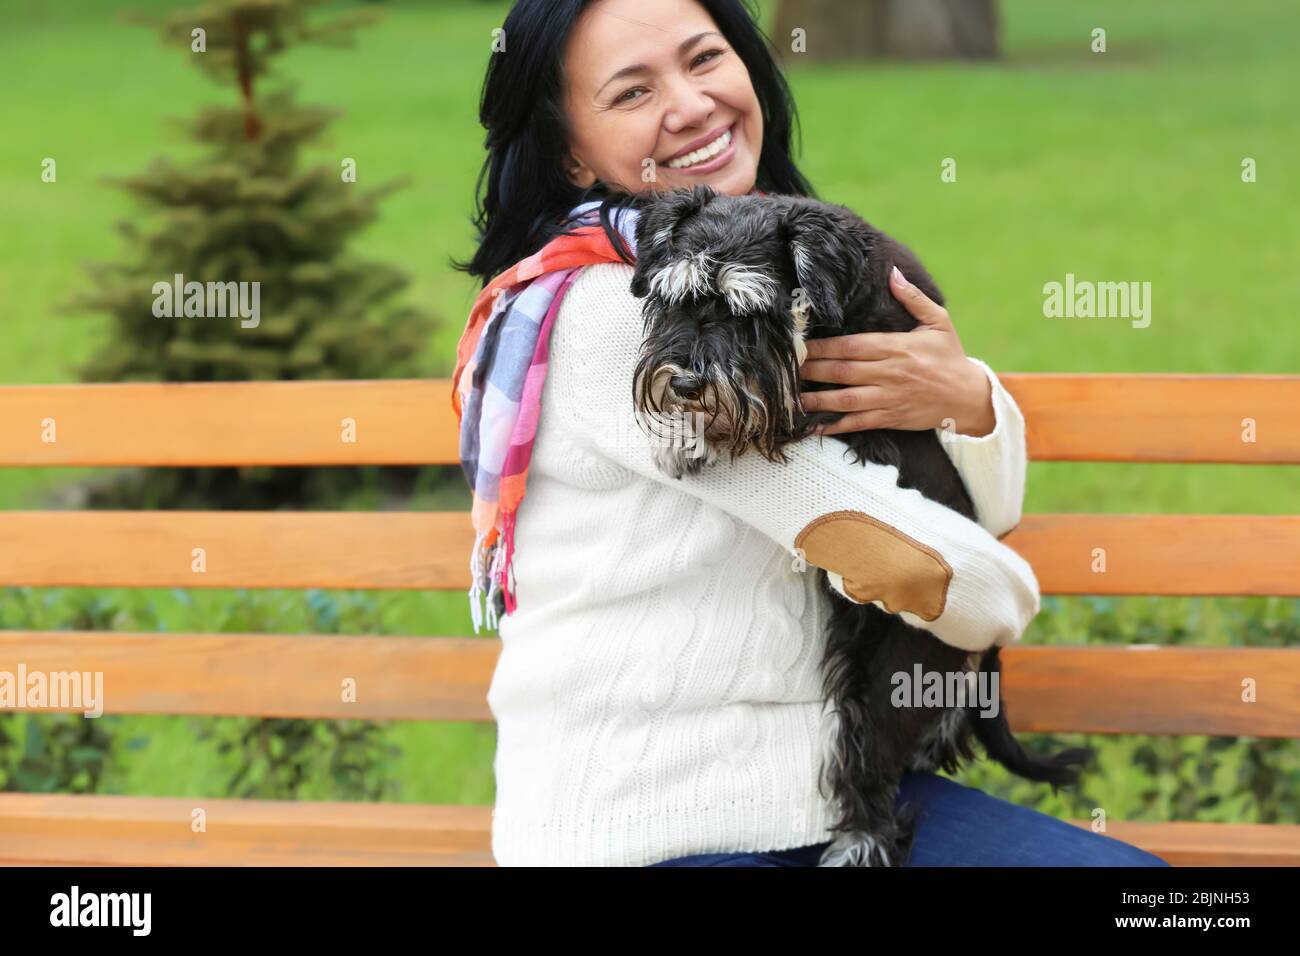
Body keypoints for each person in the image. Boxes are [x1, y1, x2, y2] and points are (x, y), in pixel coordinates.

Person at [452, 0, 1169, 868]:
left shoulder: (780, 256)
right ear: (570, 149)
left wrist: (963, 401)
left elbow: (970, 495)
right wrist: (1007, 595)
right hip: (647, 824)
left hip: (835, 792)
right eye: (633, 91)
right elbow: (918, 559)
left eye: (704, 58)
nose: (689, 104)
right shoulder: (615, 315)